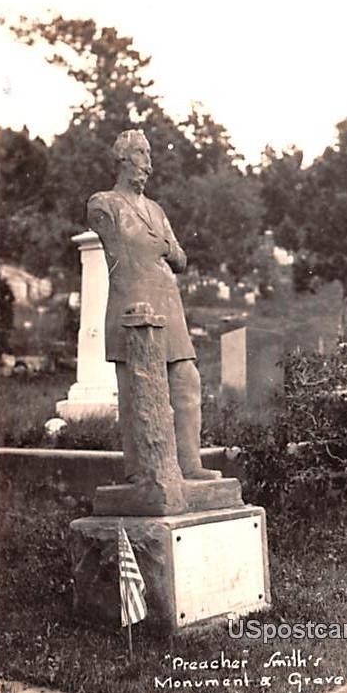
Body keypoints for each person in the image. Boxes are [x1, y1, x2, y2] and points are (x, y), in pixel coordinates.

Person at [87, 129, 220, 481]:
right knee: (137, 388)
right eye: (143, 155)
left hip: (168, 302)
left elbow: (179, 257)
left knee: (187, 380)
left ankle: (190, 463)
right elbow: (130, 244)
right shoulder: (103, 204)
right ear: (123, 159)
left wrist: (166, 246)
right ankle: (141, 470)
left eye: (149, 155)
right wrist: (163, 246)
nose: (149, 165)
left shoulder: (156, 209)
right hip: (132, 305)